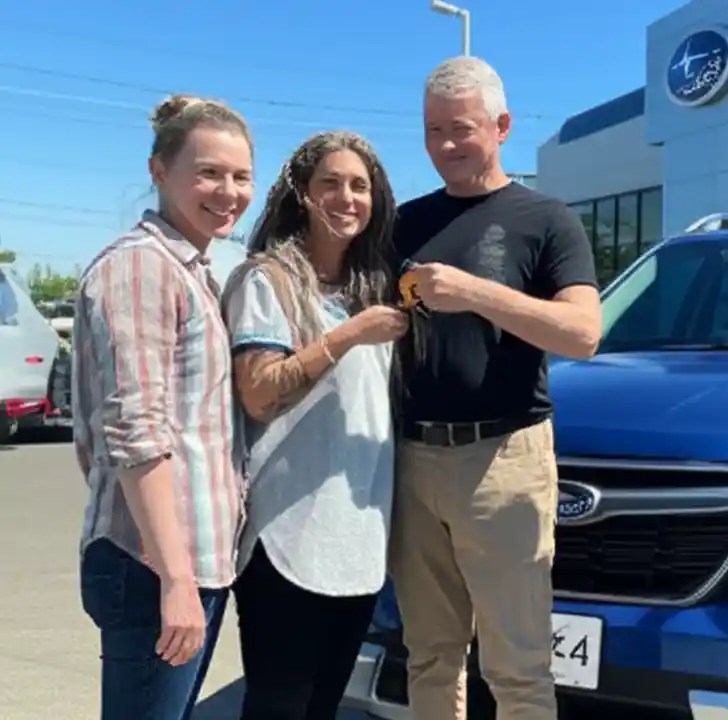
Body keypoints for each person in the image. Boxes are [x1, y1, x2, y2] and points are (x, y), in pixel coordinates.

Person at [391, 55, 601, 720]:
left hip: (503, 460)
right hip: (411, 457)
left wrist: (476, 292)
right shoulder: (401, 223)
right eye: (432, 131)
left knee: (517, 666)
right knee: (429, 655)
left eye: (461, 128)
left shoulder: (546, 219)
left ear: (502, 125)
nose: (445, 146)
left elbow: (582, 333)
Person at [72, 93, 255, 720]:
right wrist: (175, 579)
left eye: (240, 176)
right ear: (159, 170)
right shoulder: (141, 269)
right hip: (153, 569)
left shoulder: (193, 270)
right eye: (207, 173)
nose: (227, 191)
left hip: (187, 563)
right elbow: (134, 431)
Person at [219, 130, 408, 720]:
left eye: (360, 185)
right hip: (286, 538)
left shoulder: (372, 288)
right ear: (302, 192)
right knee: (279, 704)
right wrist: (349, 335)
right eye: (330, 182)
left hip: (359, 539)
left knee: (324, 705)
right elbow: (258, 394)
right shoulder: (265, 281)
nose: (347, 197)